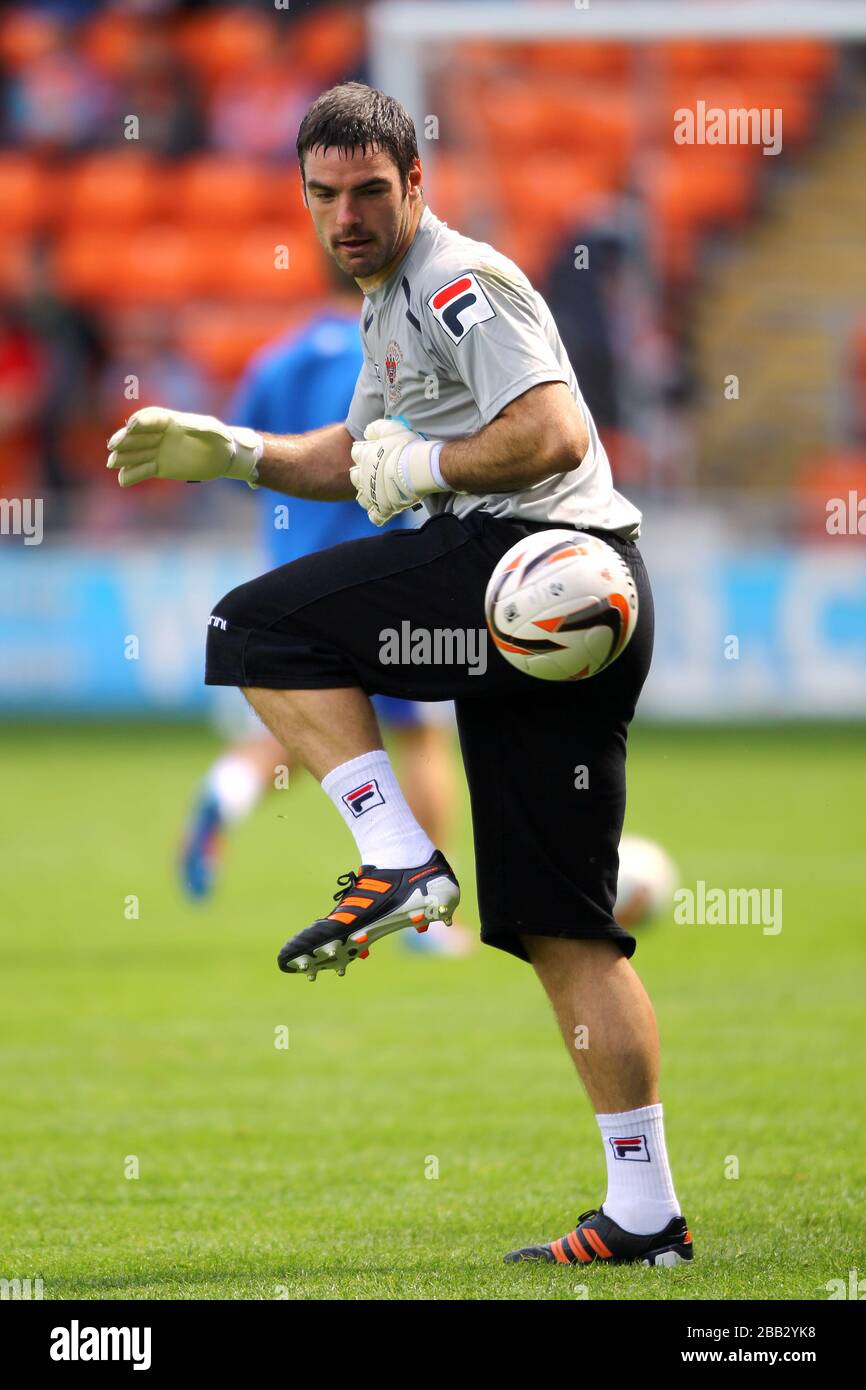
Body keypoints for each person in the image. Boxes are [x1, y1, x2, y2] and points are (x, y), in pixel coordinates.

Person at [106, 82, 691, 1269]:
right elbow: (357, 452)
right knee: (563, 930)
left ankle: (397, 856)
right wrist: (241, 454)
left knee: (257, 631)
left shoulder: (452, 279)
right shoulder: (385, 305)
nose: (346, 216)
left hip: (534, 562)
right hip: (569, 602)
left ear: (415, 184)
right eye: (323, 197)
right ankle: (646, 1214)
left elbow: (549, 434)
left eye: (369, 191)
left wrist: (418, 466)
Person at [181, 286, 470, 957]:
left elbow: (237, 459)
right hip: (378, 576)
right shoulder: (393, 356)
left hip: (293, 587)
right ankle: (425, 924)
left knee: (310, 734)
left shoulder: (276, 360)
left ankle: (224, 793)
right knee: (420, 736)